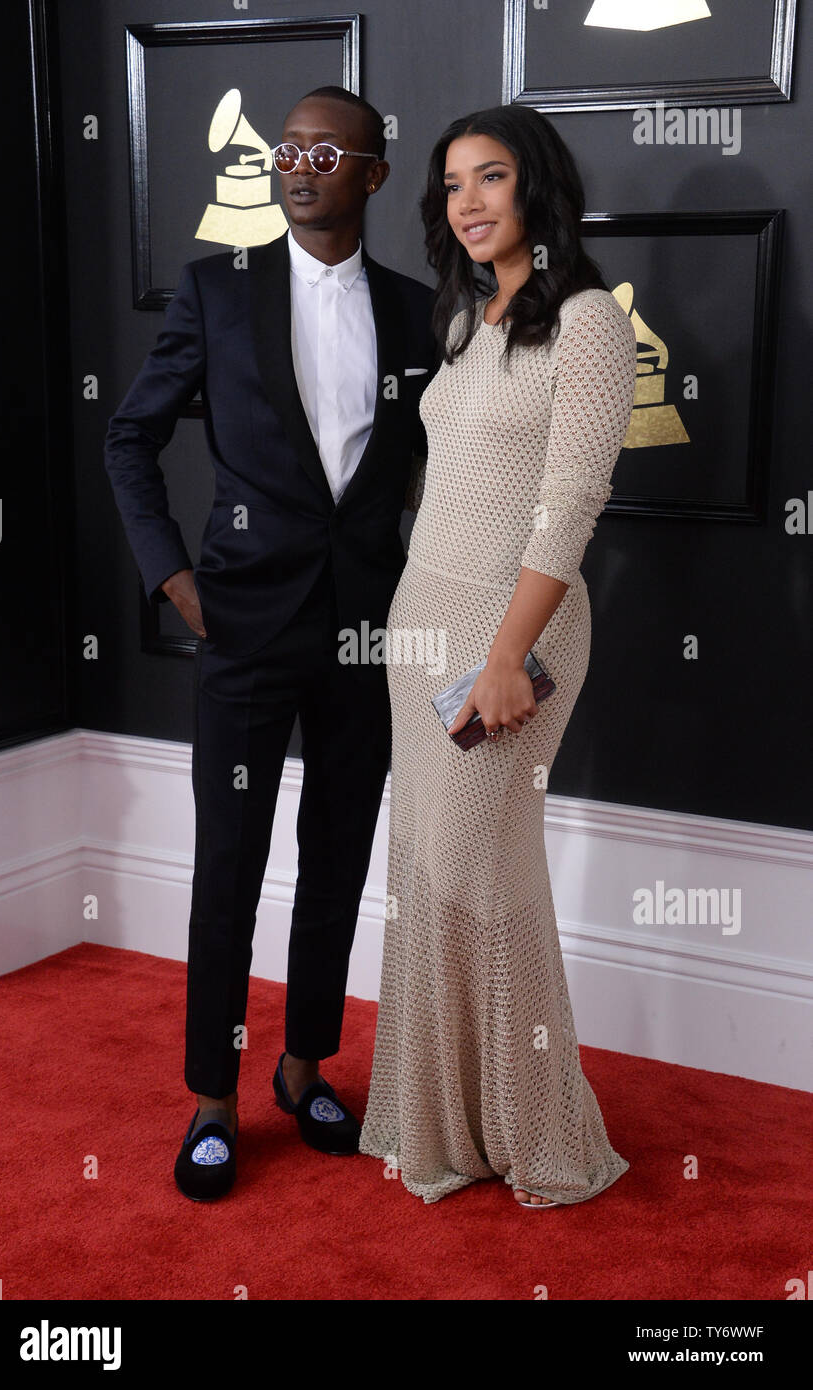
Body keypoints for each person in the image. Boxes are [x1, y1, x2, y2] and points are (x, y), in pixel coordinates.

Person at [103, 86, 436, 1200]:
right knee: (229, 867)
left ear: (373, 175)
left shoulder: (418, 311)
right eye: (289, 148)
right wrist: (174, 578)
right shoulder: (216, 289)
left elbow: (432, 473)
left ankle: (304, 1066)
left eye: (327, 152)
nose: (299, 166)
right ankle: (212, 1097)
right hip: (243, 623)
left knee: (339, 855)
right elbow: (131, 436)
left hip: (363, 628)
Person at [358, 105, 637, 1208]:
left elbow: (571, 504)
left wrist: (509, 655)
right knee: (427, 872)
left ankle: (537, 1129)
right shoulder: (473, 320)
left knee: (488, 874)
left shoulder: (588, 323)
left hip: (512, 631)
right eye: (453, 185)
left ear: (539, 190)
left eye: (492, 179)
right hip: (422, 614)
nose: (469, 204)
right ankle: (450, 1123)